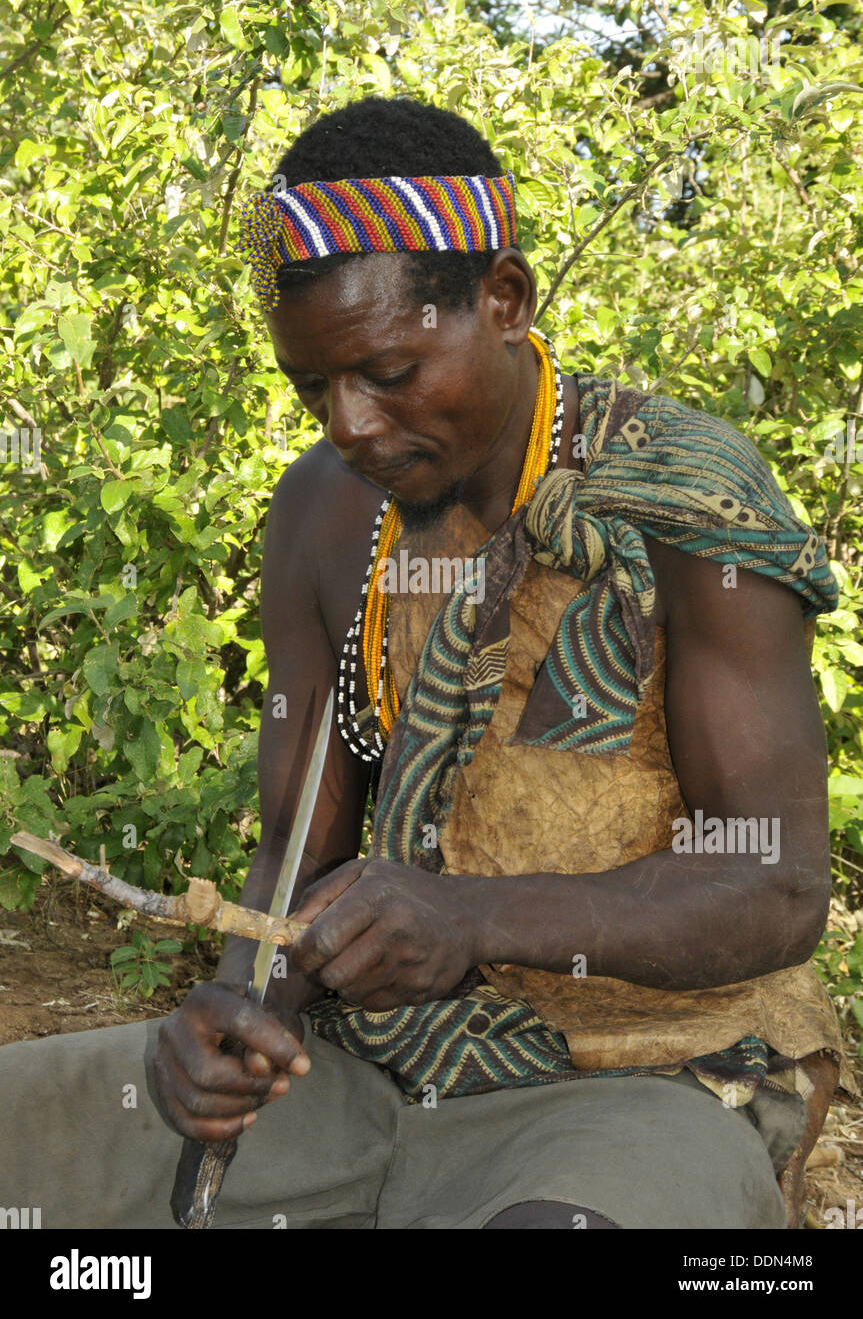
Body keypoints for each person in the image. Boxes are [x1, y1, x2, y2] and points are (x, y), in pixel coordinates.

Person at [0, 97, 850, 1231]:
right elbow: (298, 856)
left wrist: (472, 916)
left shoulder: (684, 503)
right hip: (359, 1072)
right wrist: (239, 1011)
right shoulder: (322, 513)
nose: (347, 423)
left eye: (387, 371)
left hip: (645, 1078)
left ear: (503, 300)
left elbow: (777, 884)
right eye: (313, 386)